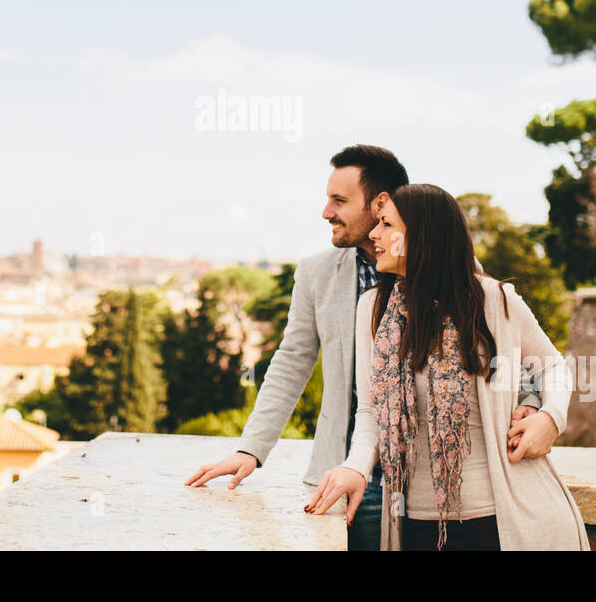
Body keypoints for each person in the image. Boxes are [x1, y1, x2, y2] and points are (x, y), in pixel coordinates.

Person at [185, 147, 548, 550]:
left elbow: (508, 349)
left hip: (431, 485)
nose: (326, 212)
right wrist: (250, 449)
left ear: (378, 205)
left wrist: (532, 405)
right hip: (347, 471)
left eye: (339, 201)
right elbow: (291, 362)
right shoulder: (316, 273)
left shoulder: (451, 268)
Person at [305, 183, 590, 551]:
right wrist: (356, 467)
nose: (374, 234)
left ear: (423, 236)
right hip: (415, 525)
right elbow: (372, 411)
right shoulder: (372, 309)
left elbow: (553, 367)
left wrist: (550, 418)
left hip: (502, 521)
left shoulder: (493, 300)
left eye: (387, 225)